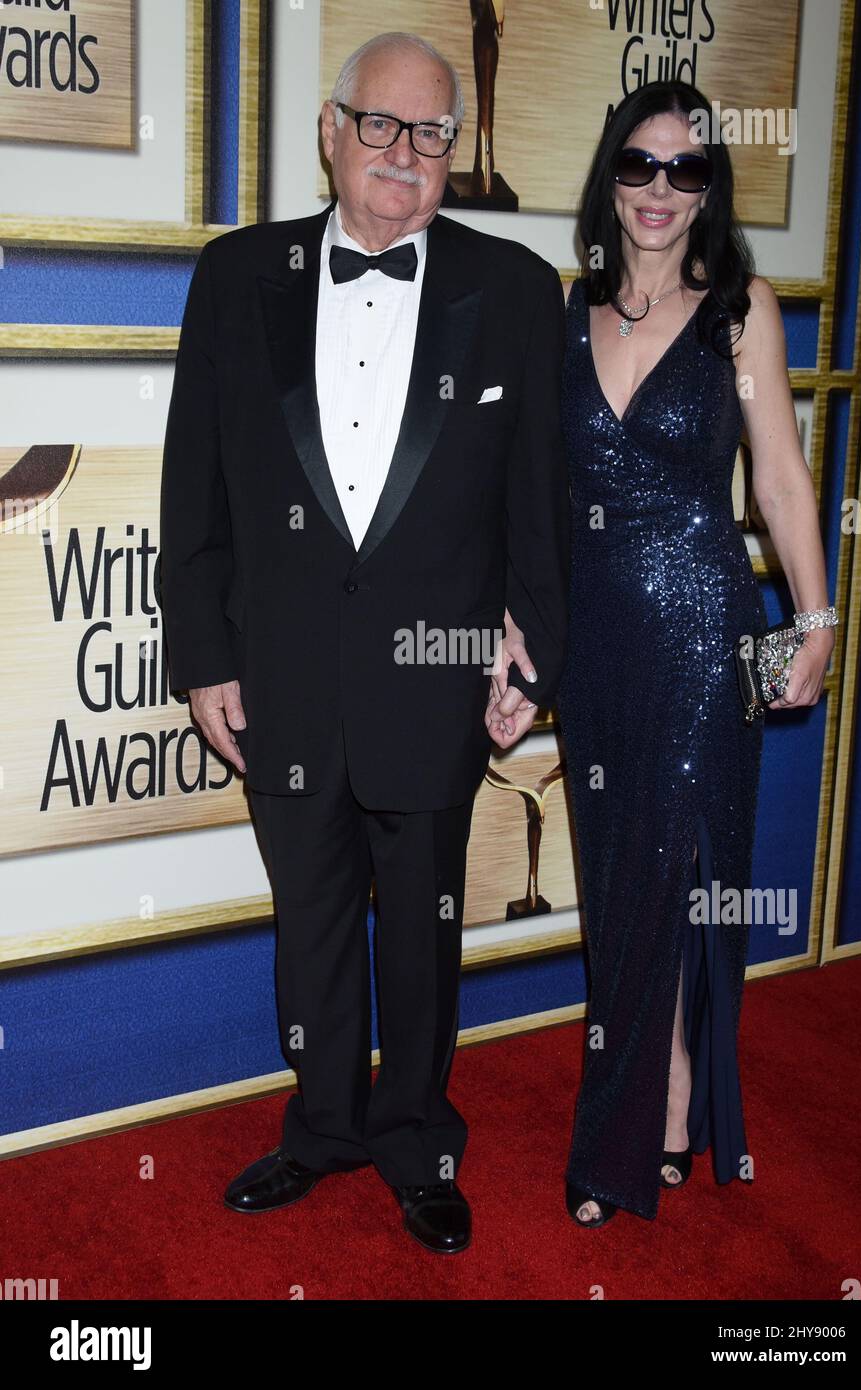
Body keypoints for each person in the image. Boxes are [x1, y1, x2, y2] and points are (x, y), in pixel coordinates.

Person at [159, 31, 569, 1255]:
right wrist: (202, 653)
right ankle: (321, 1127)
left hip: (436, 675)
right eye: (381, 126)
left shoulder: (511, 291)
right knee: (314, 915)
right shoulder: (237, 278)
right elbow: (196, 493)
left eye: (432, 132)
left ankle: (415, 1140)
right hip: (279, 674)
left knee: (423, 927)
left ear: (453, 152)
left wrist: (529, 652)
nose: (405, 153)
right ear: (332, 132)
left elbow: (534, 500)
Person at [556, 79, 837, 1227]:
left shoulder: (739, 309)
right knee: (616, 883)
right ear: (609, 177)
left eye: (684, 169)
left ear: (709, 186)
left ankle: (626, 1137)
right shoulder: (562, 311)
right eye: (638, 164)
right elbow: (533, 487)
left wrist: (813, 619)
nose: (659, 190)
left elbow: (775, 475)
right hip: (593, 644)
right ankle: (664, 1096)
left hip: (700, 630)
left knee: (676, 881)